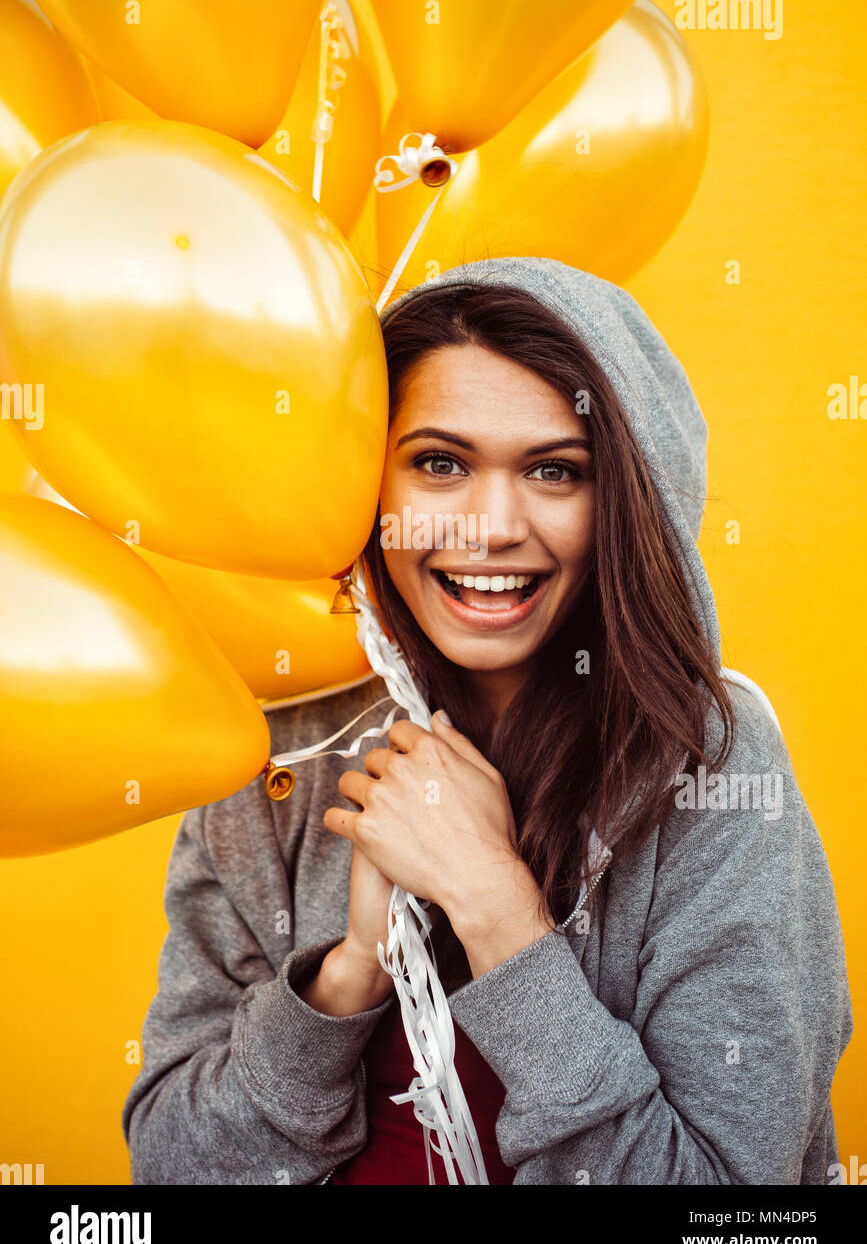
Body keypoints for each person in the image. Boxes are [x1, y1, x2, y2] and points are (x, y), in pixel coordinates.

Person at [122, 257, 853, 1185]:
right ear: (366, 485)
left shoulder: (710, 768)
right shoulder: (284, 760)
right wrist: (347, 974)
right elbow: (170, 1171)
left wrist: (496, 909)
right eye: (439, 463)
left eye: (555, 471)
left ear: (625, 503)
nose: (489, 526)